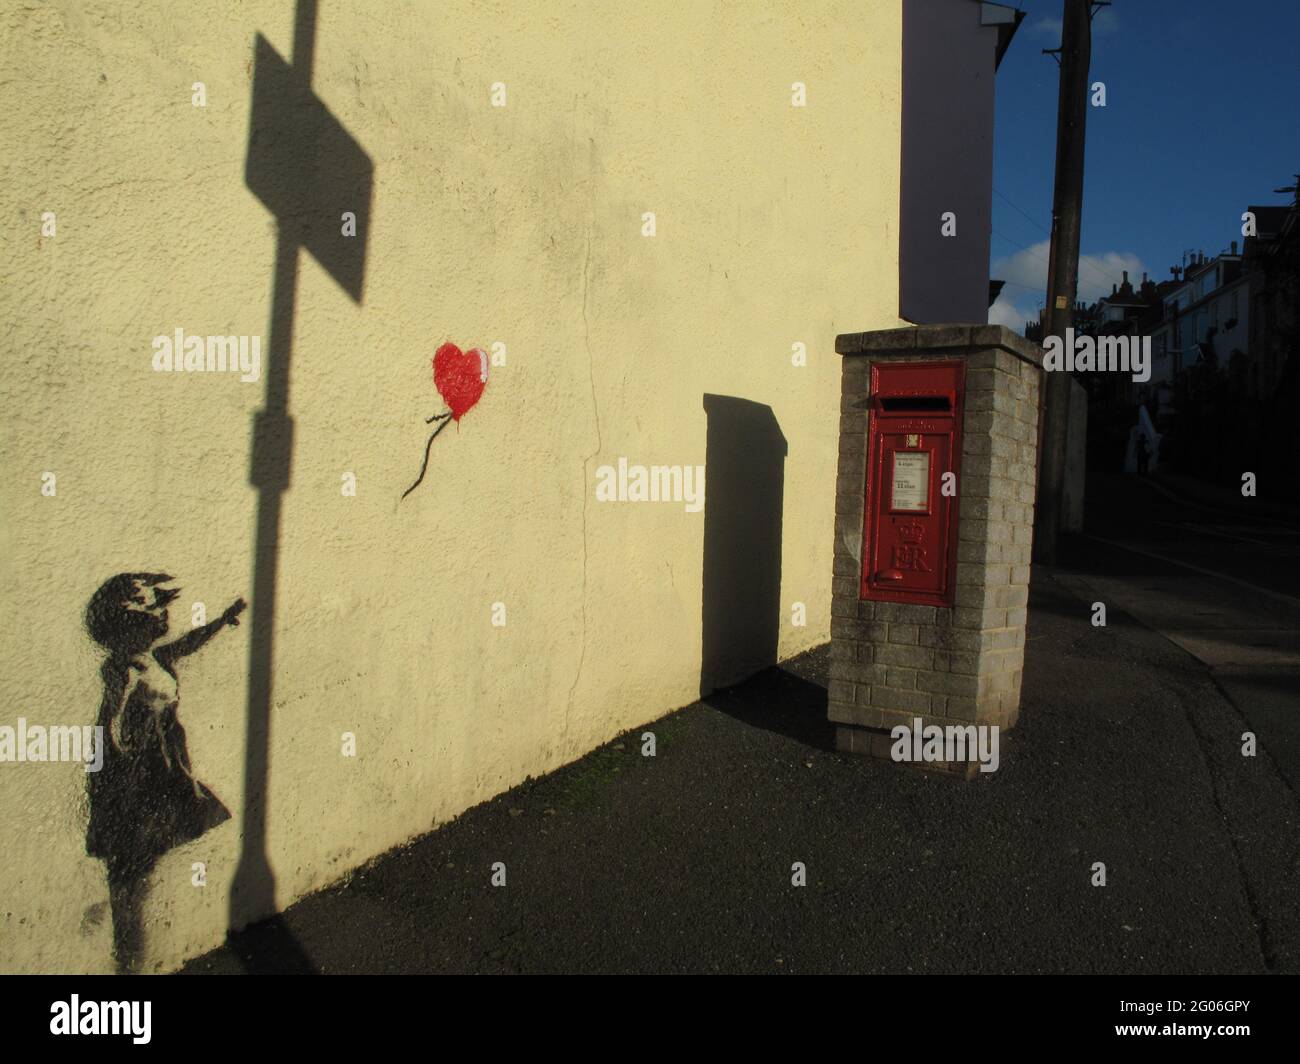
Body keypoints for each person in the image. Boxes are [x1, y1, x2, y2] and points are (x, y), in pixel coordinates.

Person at [84, 572, 245, 972]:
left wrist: (223, 620)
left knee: (142, 870)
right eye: (154, 609)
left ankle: (122, 934)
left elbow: (187, 645)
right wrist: (124, 752)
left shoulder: (154, 658)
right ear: (128, 622)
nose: (164, 614)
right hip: (135, 781)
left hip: (161, 773)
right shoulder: (123, 668)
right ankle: (129, 966)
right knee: (132, 879)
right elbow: (110, 720)